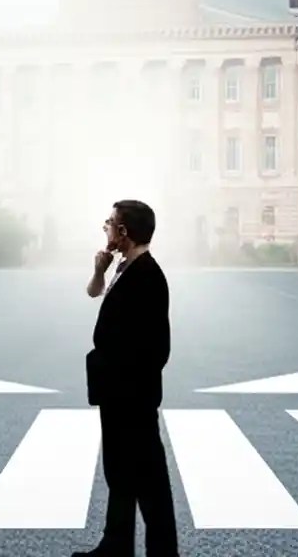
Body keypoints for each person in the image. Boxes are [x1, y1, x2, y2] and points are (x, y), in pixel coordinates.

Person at [75, 200, 179, 557]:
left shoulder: (148, 276)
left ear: (124, 232)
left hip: (132, 396)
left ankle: (163, 553)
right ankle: (115, 545)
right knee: (119, 472)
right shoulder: (124, 266)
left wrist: (125, 383)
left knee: (149, 480)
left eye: (110, 223)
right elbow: (93, 292)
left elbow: (157, 348)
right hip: (118, 392)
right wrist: (100, 269)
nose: (104, 228)